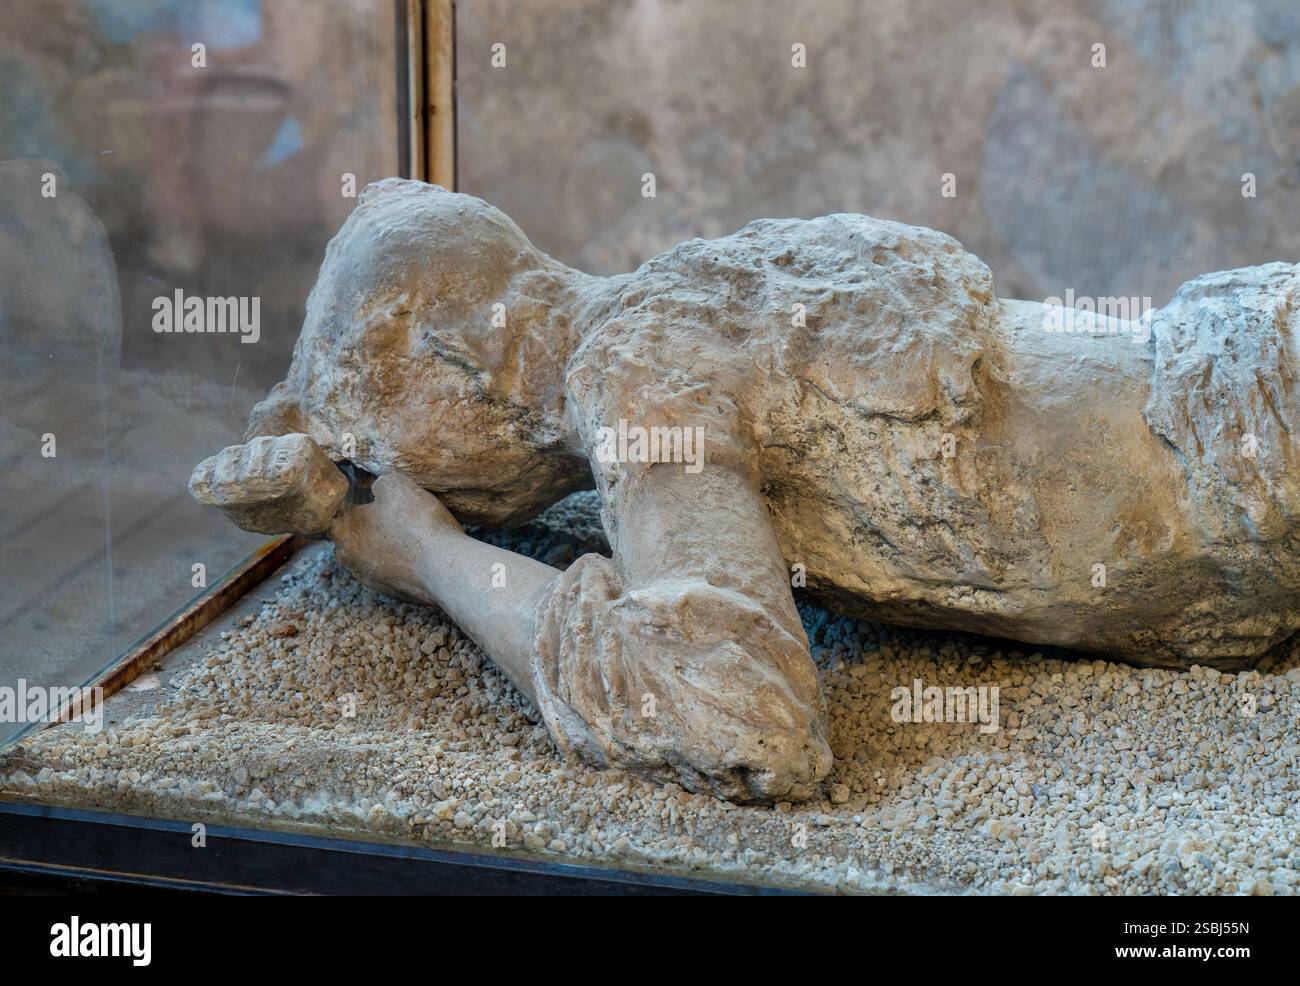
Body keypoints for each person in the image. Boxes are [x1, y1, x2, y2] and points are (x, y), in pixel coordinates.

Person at [192, 179, 1300, 803]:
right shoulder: (691, 281)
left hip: (1255, 461)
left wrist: (430, 554)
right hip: (1240, 345)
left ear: (471, 366)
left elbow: (739, 706)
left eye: (380, 444)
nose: (396, 477)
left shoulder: (632, 376)